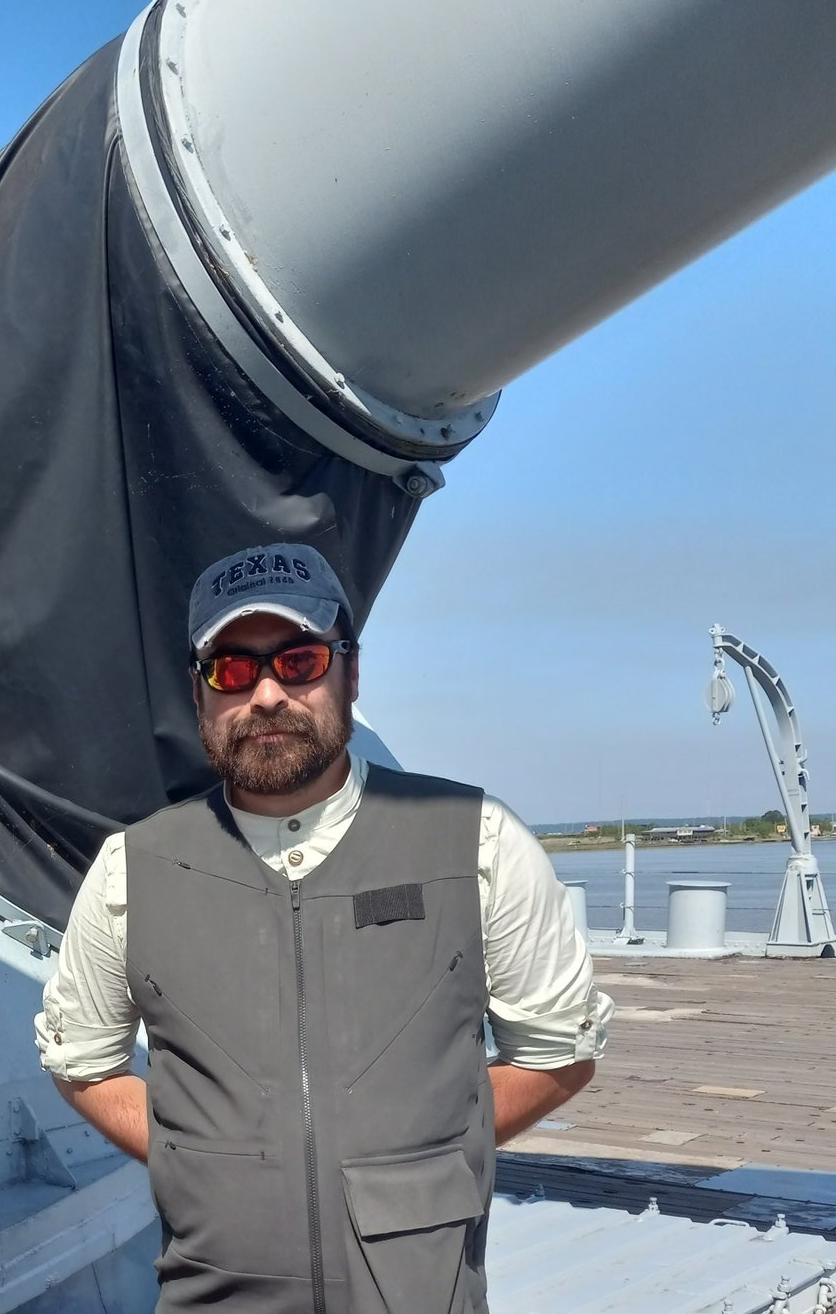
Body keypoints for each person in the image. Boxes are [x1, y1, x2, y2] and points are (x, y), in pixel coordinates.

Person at [36, 542, 611, 1314]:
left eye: (300, 661)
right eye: (232, 670)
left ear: (351, 671)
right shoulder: (129, 871)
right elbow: (83, 1062)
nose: (267, 694)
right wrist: (192, 1160)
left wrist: (431, 1149)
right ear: (200, 694)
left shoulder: (476, 839)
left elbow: (558, 1052)